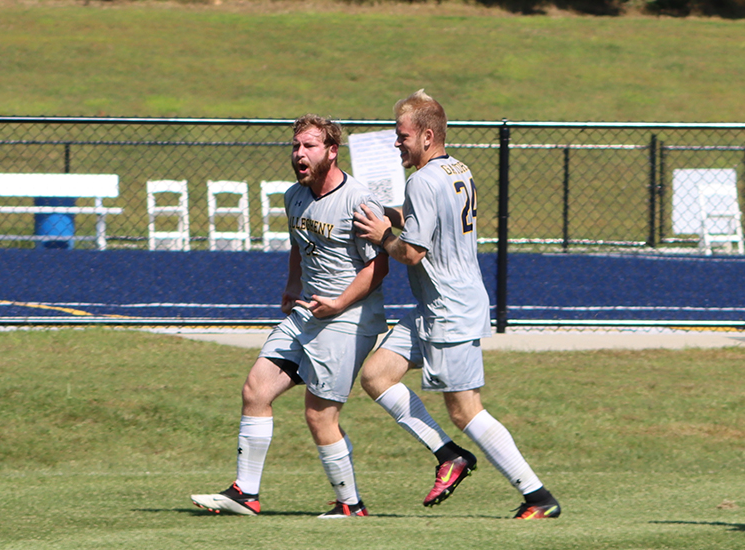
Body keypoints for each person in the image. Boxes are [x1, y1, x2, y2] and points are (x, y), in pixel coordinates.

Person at [353, 90, 561, 520]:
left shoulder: (423, 180)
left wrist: (380, 235)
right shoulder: (456, 168)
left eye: (403, 136)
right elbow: (426, 216)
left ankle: (537, 496)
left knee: (465, 409)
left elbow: (412, 253)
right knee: (376, 375)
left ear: (427, 136)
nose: (397, 143)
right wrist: (389, 212)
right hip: (434, 306)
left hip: (450, 308)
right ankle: (448, 455)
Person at [190, 114, 389, 519]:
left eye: (309, 146)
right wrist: (292, 286)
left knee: (319, 414)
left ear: (332, 152)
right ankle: (245, 494)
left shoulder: (359, 200)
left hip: (350, 316)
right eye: (296, 146)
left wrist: (336, 304)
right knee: (256, 390)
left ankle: (350, 504)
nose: (299, 154)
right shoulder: (294, 196)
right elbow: (300, 244)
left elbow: (378, 267)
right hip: (307, 312)